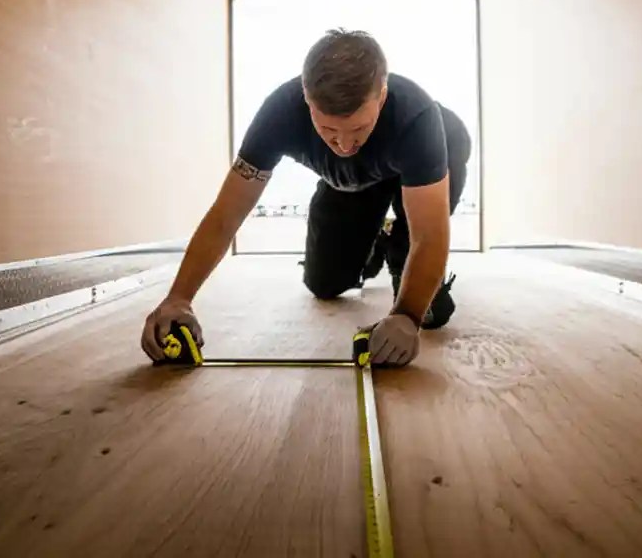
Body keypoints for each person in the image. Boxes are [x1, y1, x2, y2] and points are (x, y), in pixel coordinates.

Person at [140, 29, 471, 367]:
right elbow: (226, 215)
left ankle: (399, 246)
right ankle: (377, 241)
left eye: (359, 128)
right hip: (350, 183)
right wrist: (178, 297)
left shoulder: (417, 118)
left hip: (428, 167)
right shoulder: (279, 114)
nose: (344, 146)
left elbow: (429, 235)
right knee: (324, 284)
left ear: (382, 96)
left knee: (428, 308)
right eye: (328, 130)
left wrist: (407, 316)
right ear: (306, 99)